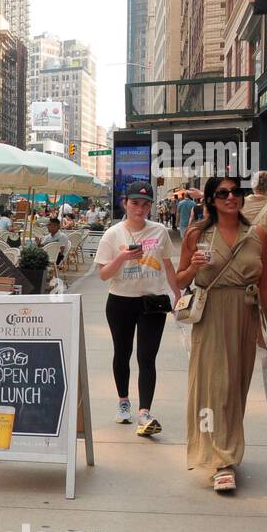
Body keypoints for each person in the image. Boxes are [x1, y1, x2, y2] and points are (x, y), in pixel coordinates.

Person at [175, 176, 267, 493]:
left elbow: (264, 284)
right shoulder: (197, 234)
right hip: (211, 313)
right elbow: (181, 281)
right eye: (223, 193)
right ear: (210, 199)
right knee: (213, 386)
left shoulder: (257, 234)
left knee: (235, 387)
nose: (231, 197)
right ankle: (219, 459)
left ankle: (228, 449)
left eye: (237, 192)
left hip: (246, 314)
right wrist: (193, 267)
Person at [94, 180, 179, 437]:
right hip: (120, 301)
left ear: (151, 206)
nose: (140, 209)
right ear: (125, 204)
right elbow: (103, 275)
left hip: (153, 301)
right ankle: (123, 401)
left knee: (147, 357)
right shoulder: (113, 234)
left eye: (145, 204)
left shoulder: (160, 231)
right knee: (122, 353)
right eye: (135, 203)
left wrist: (177, 294)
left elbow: (167, 265)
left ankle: (144, 412)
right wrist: (121, 257)